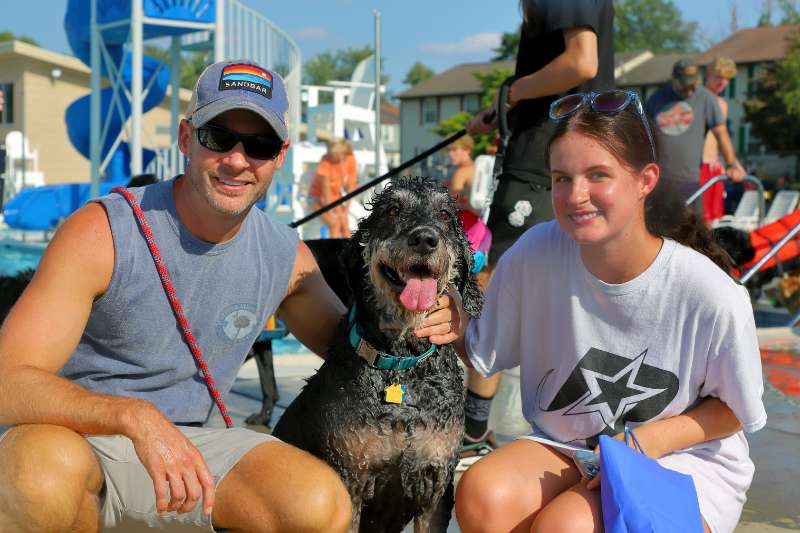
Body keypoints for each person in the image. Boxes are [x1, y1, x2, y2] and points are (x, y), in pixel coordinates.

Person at [0, 59, 457, 532]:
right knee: (37, 472)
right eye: (219, 137)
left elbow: (358, 349)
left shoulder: (284, 255)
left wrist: (434, 313)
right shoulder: (101, 232)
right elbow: (8, 381)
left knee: (318, 504)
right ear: (185, 138)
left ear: (279, 157)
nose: (238, 160)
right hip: (88, 441)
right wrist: (132, 416)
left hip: (203, 450)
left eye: (258, 145)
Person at [451, 89, 766, 533]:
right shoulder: (534, 252)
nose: (576, 195)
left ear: (645, 180)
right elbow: (483, 350)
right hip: (569, 444)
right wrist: (448, 317)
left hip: (680, 458)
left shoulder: (711, 293)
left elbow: (736, 411)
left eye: (598, 175)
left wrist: (641, 443)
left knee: (565, 527)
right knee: (483, 494)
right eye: (561, 178)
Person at [460, 0, 614, 466]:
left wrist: (512, 93)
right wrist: (503, 107)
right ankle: (587, 435)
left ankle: (471, 430)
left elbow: (581, 60)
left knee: (490, 290)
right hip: (562, 148)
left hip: (546, 160)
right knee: (569, 289)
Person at [646, 57, 745, 211]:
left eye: (693, 85)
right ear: (674, 78)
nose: (690, 90)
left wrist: (732, 164)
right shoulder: (656, 98)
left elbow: (721, 133)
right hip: (659, 180)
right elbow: (644, 134)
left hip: (690, 180)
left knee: (691, 228)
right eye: (685, 85)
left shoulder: (705, 98)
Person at [700, 56, 738, 226]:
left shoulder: (722, 103)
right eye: (719, 77)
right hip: (699, 165)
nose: (723, 82)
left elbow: (721, 139)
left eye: (727, 78)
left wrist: (733, 164)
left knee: (712, 220)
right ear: (708, 74)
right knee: (697, 218)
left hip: (714, 166)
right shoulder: (697, 98)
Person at [308, 138, 357, 238]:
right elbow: (326, 191)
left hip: (335, 198)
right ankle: (334, 251)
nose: (330, 157)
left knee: (344, 224)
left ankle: (348, 251)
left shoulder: (349, 159)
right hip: (316, 199)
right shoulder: (325, 161)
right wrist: (331, 212)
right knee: (334, 224)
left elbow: (351, 188)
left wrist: (345, 211)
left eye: (333, 155)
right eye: (330, 154)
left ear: (341, 155)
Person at [445, 134, 478, 215]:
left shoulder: (461, 172)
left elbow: (452, 204)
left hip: (472, 222)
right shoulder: (477, 167)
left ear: (467, 150)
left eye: (454, 149)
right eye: (449, 150)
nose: (450, 154)